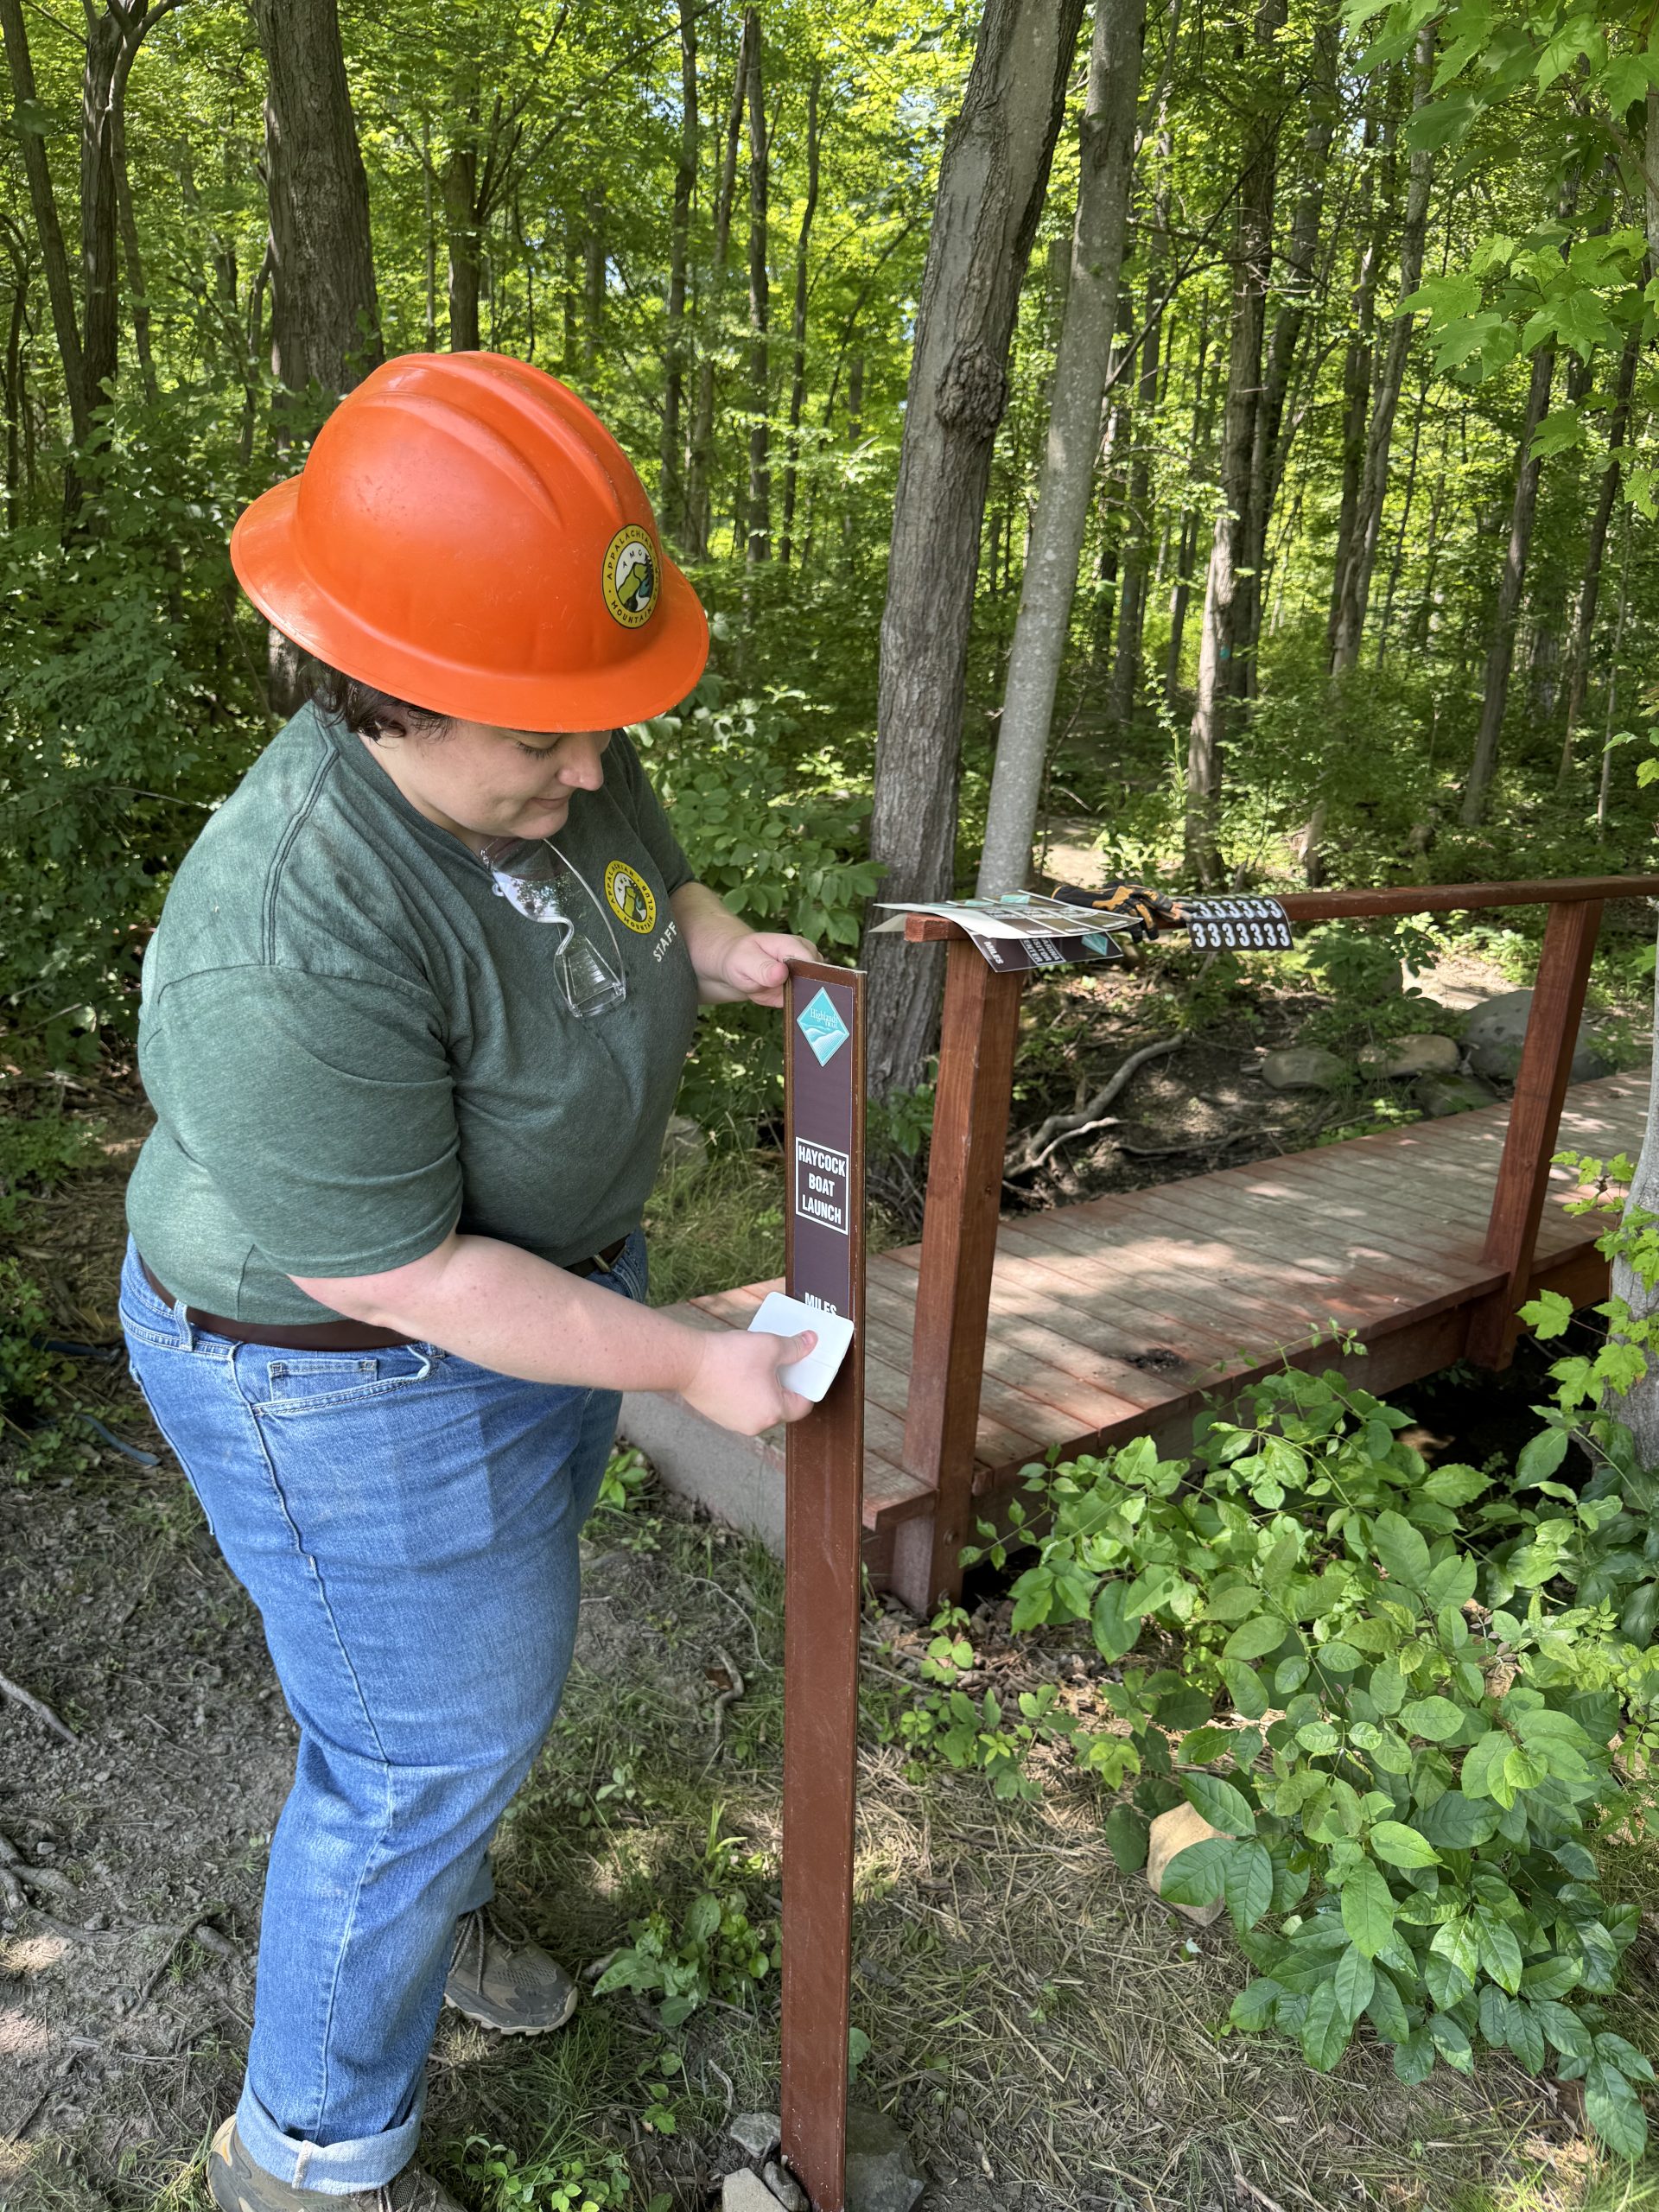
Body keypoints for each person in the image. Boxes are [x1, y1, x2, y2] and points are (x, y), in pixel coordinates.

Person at [119, 353, 820, 2212]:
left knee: (448, 1703)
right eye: (541, 749)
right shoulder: (287, 929)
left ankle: (432, 1872)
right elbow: (412, 1271)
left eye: (595, 734)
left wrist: (721, 939)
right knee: (423, 1747)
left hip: (541, 1303)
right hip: (344, 1373)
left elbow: (632, 872)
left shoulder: (542, 720)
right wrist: (682, 1360)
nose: (589, 771)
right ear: (382, 695)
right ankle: (306, 2161)